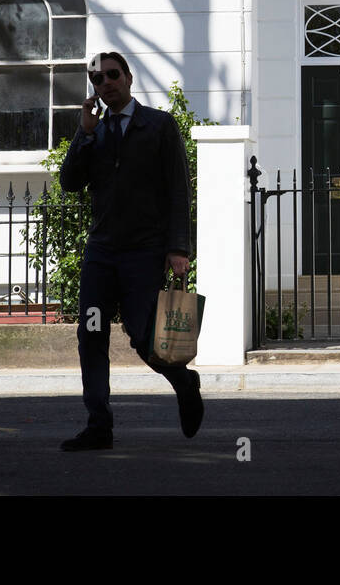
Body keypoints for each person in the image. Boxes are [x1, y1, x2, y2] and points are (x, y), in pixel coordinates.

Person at [57, 51, 203, 450]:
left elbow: (178, 190)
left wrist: (178, 248)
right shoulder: (94, 133)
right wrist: (84, 134)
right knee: (91, 334)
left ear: (128, 78)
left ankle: (183, 381)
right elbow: (70, 182)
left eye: (112, 75)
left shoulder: (158, 126)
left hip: (144, 252)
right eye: (98, 79)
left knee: (143, 337)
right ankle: (98, 425)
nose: (105, 83)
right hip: (101, 254)